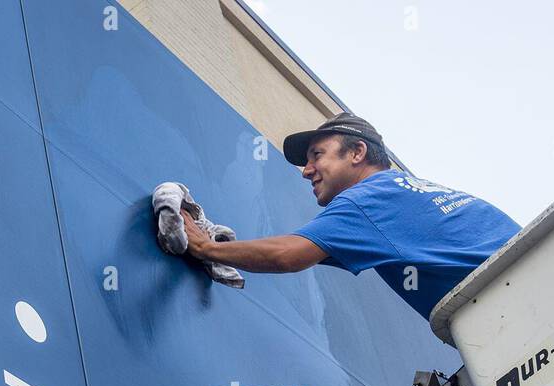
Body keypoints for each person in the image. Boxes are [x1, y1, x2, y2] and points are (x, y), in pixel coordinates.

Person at [180, 112, 522, 321]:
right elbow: (296, 248)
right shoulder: (406, 190)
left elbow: (288, 254)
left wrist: (203, 247)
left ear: (357, 153)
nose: (306, 171)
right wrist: (228, 245)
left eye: (317, 155)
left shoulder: (367, 200)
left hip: (512, 306)